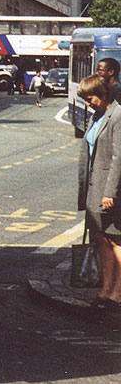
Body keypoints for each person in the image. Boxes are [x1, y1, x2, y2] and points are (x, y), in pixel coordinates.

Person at [77, 74, 121, 316]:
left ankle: (118, 291)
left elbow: (119, 158)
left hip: (108, 192)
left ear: (104, 95)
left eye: (90, 98)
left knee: (115, 241)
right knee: (101, 240)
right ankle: (106, 289)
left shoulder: (118, 116)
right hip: (94, 190)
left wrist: (110, 192)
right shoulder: (98, 115)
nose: (87, 103)